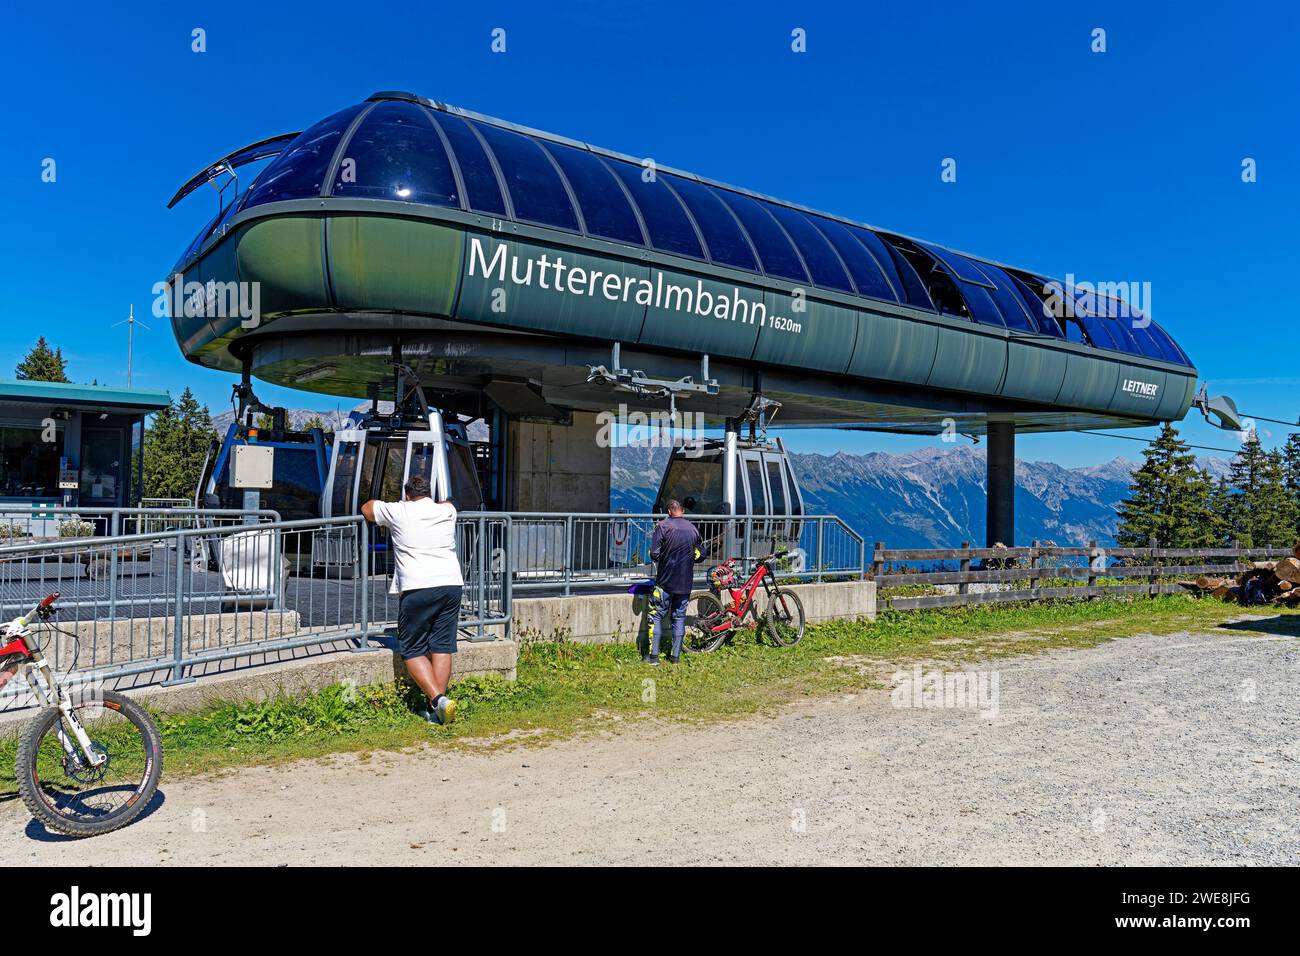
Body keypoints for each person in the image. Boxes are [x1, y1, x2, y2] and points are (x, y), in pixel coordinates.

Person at [361, 475, 462, 725]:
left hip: (418, 586)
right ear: (428, 493)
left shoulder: (399, 511)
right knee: (442, 646)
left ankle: (438, 700)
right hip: (451, 583)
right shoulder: (447, 511)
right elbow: (449, 503)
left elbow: (367, 508)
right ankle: (435, 713)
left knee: (413, 649)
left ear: (407, 495)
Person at [647, 499, 701, 665]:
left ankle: (654, 657)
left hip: (665, 581)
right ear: (682, 511)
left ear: (669, 511)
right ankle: (675, 657)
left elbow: (654, 554)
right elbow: (700, 554)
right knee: (679, 619)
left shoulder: (663, 526)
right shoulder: (693, 528)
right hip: (685, 583)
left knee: (655, 617)